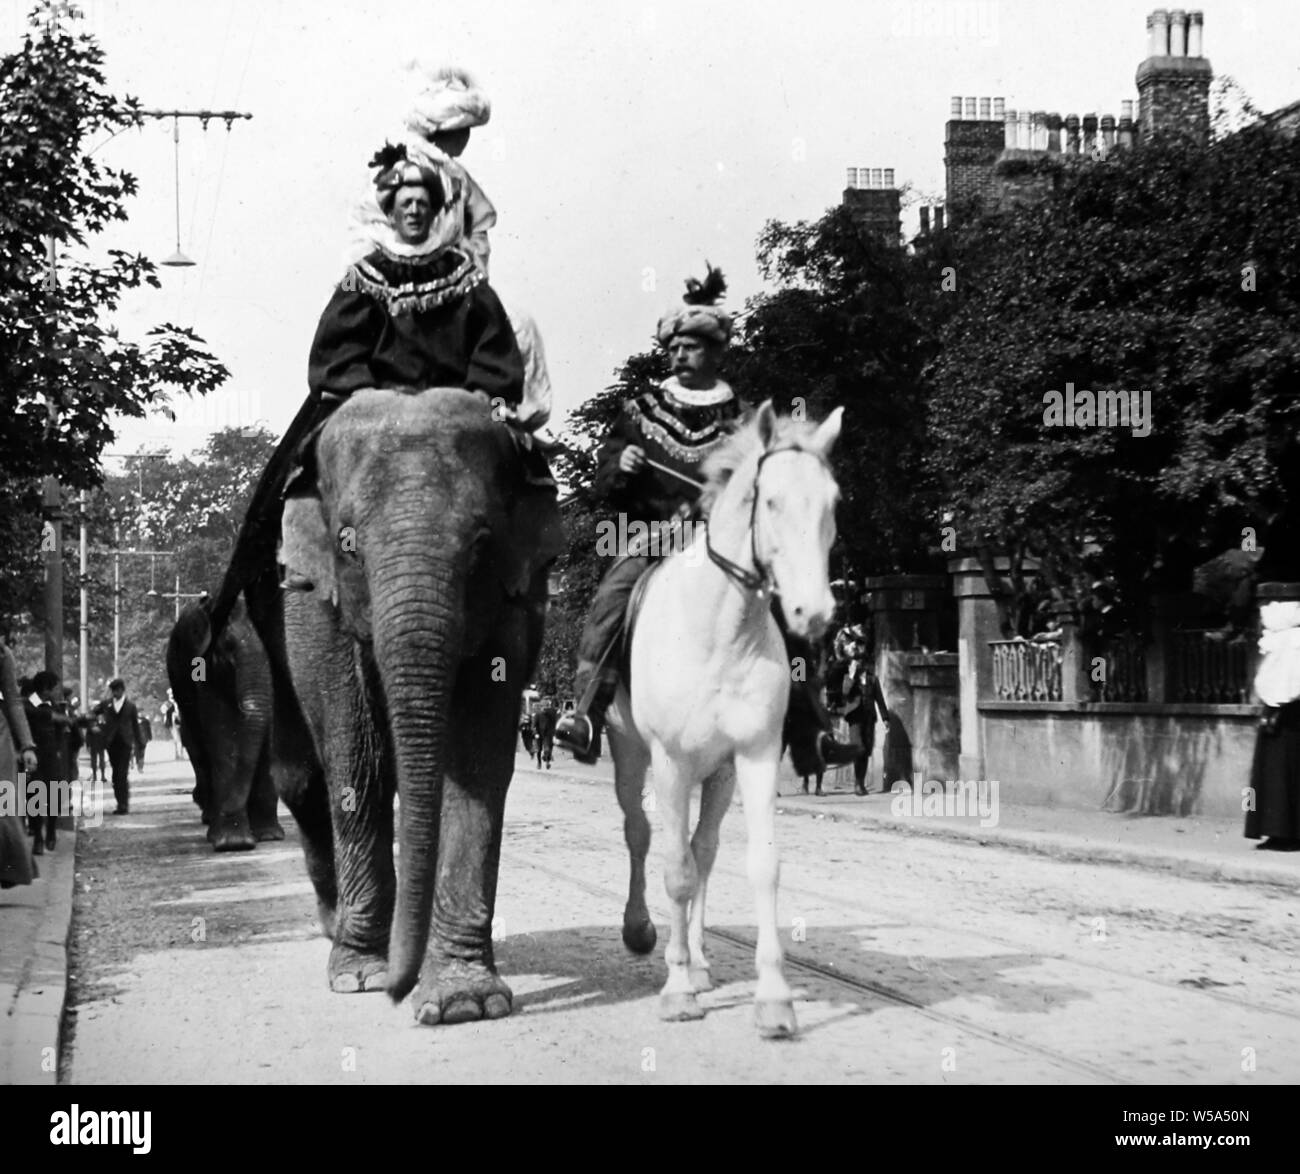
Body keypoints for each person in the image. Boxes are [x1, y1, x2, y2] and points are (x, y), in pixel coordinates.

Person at [206, 143, 528, 638]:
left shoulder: (469, 284)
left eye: (424, 202)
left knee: (526, 467)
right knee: (287, 475)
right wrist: (365, 398)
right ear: (391, 211)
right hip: (373, 411)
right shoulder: (364, 278)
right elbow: (335, 358)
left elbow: (495, 358)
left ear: (437, 209)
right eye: (406, 203)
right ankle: (263, 598)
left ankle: (523, 585)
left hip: (456, 413)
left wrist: (480, 397)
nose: (415, 210)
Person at [554, 267, 863, 776]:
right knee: (612, 597)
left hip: (729, 546)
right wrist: (622, 467)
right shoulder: (640, 412)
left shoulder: (744, 419)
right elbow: (602, 483)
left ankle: (811, 732)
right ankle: (586, 714)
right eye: (674, 345)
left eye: (692, 345)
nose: (680, 354)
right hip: (655, 538)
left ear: (716, 352)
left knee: (792, 619)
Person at [344, 62, 555, 440]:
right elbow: (372, 234)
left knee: (517, 326)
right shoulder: (397, 171)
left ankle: (506, 415)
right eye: (462, 131)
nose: (466, 139)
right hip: (391, 287)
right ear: (443, 130)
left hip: (454, 282)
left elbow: (481, 222)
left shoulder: (455, 174)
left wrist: (466, 269)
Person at [0, 639, 38, 887]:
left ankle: (8, 869)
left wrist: (26, 745)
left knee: (3, 807)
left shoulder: (2, 654)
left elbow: (12, 699)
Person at [23, 670, 70, 853]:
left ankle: (50, 831)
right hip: (34, 756)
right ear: (44, 688)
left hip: (52, 756)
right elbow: (32, 714)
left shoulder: (54, 706)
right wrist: (53, 717)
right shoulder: (28, 704)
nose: (53, 693)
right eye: (52, 689)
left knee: (55, 796)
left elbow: (61, 730)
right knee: (34, 797)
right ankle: (38, 838)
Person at [96, 678, 143, 816]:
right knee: (116, 774)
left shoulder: (130, 706)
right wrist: (97, 726)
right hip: (111, 743)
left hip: (125, 742)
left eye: (118, 690)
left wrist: (139, 743)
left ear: (122, 690)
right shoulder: (106, 704)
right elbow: (93, 713)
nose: (115, 693)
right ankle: (120, 802)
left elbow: (135, 726)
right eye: (113, 690)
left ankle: (123, 804)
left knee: (122, 773)